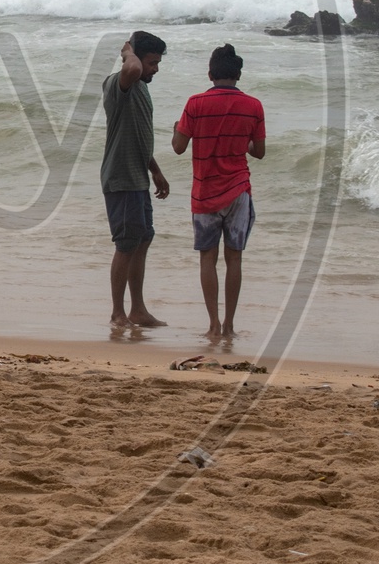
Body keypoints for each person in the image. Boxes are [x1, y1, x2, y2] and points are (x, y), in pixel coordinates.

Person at [172, 43, 266, 339]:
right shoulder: (253, 106)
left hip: (205, 192)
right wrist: (241, 142)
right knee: (234, 259)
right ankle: (230, 326)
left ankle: (212, 325)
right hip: (239, 191)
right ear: (238, 74)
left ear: (210, 73)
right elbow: (259, 152)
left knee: (207, 259)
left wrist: (176, 127)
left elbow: (178, 147)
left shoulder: (195, 103)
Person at [101, 31, 170, 328]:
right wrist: (127, 53)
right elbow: (131, 68)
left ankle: (137, 309)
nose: (156, 68)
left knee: (143, 239)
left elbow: (139, 135)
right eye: (152, 62)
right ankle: (118, 313)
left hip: (138, 176)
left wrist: (155, 170)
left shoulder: (141, 87)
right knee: (126, 243)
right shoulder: (121, 82)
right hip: (122, 178)